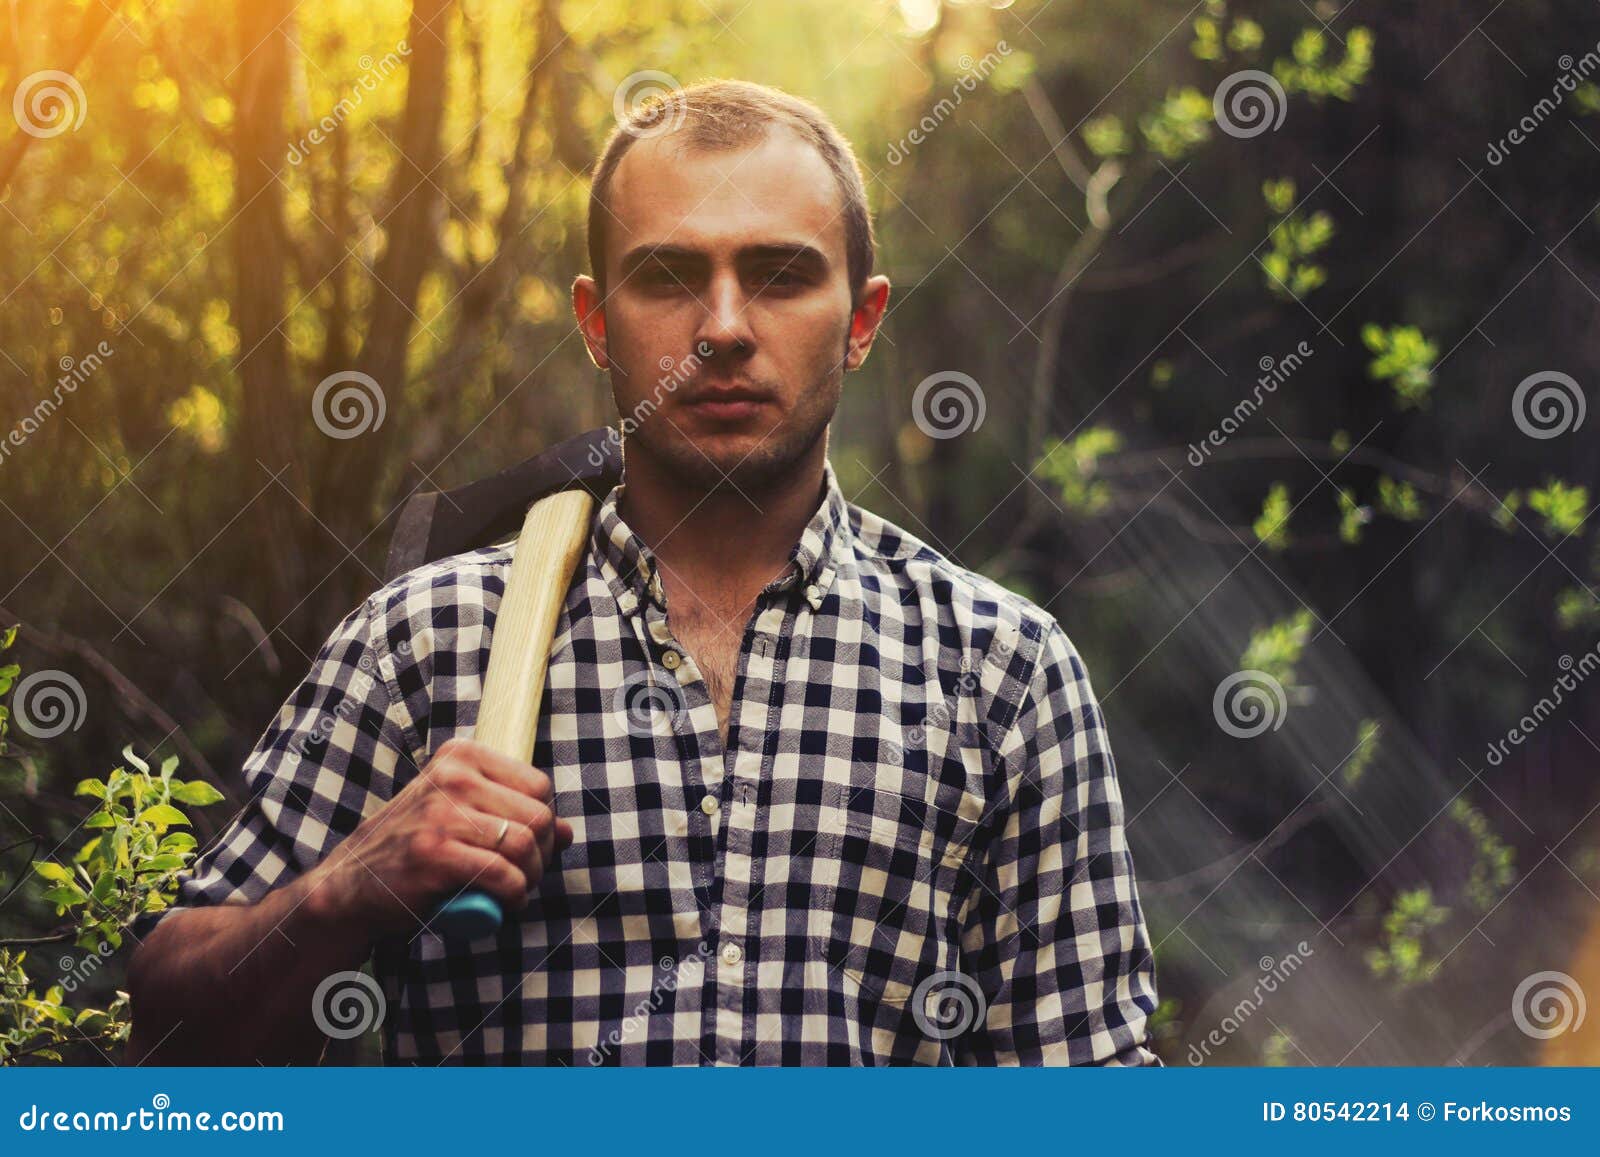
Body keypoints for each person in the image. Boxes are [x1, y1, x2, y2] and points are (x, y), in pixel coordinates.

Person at [127, 79, 1159, 1066]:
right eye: (668, 276)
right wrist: (343, 886)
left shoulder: (1001, 670)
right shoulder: (425, 642)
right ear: (594, 320)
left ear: (860, 319)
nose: (720, 329)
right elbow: (165, 1038)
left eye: (780, 275)